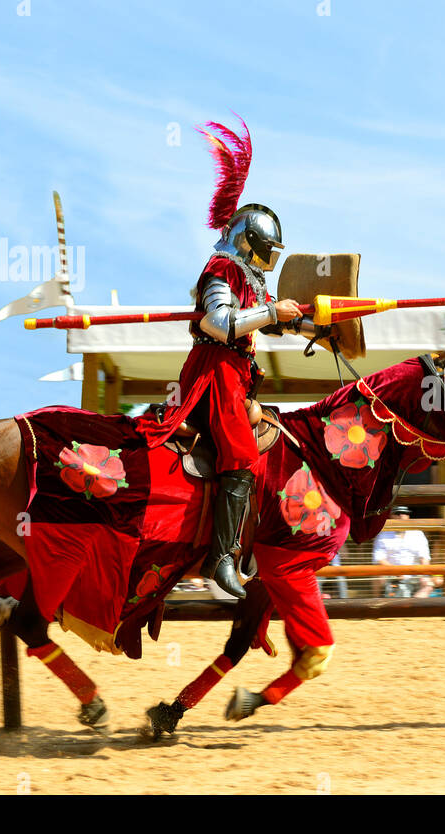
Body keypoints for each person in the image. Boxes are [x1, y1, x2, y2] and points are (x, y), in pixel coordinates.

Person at [138, 118, 313, 599]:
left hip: (235, 374)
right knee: (238, 452)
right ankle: (221, 560)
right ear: (247, 242)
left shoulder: (247, 277)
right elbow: (221, 323)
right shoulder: (220, 268)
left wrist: (313, 324)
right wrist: (272, 313)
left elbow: (268, 318)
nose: (269, 261)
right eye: (266, 251)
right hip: (215, 371)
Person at [371, 506, 433, 598]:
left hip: (414, 575)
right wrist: (396, 572)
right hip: (391, 574)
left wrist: (424, 574)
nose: (401, 516)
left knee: (428, 584)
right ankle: (375, 606)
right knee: (378, 576)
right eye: (397, 513)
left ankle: (413, 606)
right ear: (391, 516)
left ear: (409, 516)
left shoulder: (418, 533)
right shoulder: (383, 534)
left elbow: (425, 558)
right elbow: (379, 559)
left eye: (405, 513)